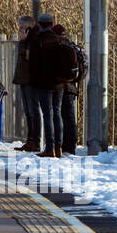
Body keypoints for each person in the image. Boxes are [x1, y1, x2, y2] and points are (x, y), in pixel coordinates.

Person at [28, 12, 67, 158]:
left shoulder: (37, 41)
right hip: (59, 83)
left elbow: (32, 64)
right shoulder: (59, 40)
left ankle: (49, 148)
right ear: (52, 24)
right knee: (57, 114)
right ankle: (59, 146)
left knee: (48, 115)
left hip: (43, 84)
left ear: (39, 25)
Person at [52, 23, 85, 155]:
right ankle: (70, 146)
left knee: (61, 116)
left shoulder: (59, 48)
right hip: (72, 87)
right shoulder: (73, 48)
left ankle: (65, 145)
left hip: (61, 86)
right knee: (69, 117)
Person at [12, 15, 39, 152]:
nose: (20, 30)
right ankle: (30, 139)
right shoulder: (26, 40)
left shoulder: (33, 40)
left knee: (33, 111)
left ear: (29, 27)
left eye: (22, 28)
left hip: (31, 80)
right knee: (28, 111)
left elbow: (28, 57)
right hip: (24, 79)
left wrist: (23, 41)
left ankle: (35, 140)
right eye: (19, 27)